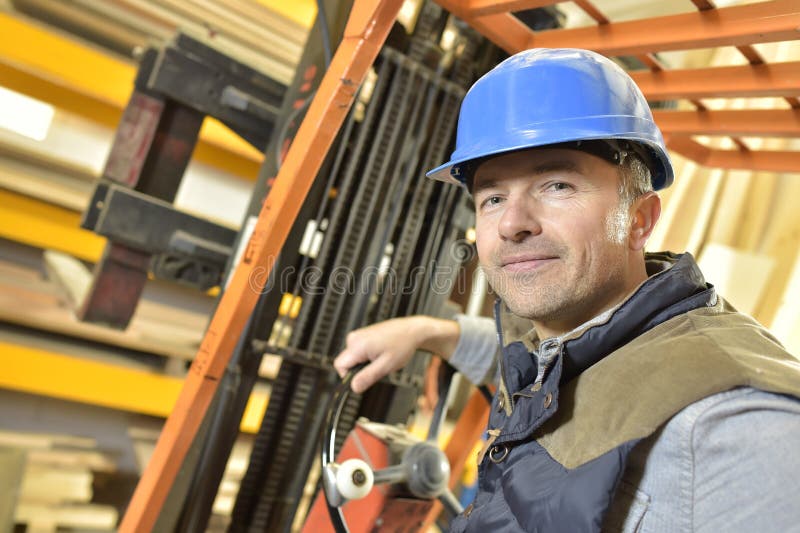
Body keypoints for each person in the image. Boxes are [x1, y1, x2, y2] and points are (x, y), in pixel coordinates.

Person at [334, 48, 800, 532]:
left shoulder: (735, 428)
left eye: (556, 185)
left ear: (638, 220)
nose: (512, 224)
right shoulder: (585, 335)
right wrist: (428, 331)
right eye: (493, 197)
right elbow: (540, 366)